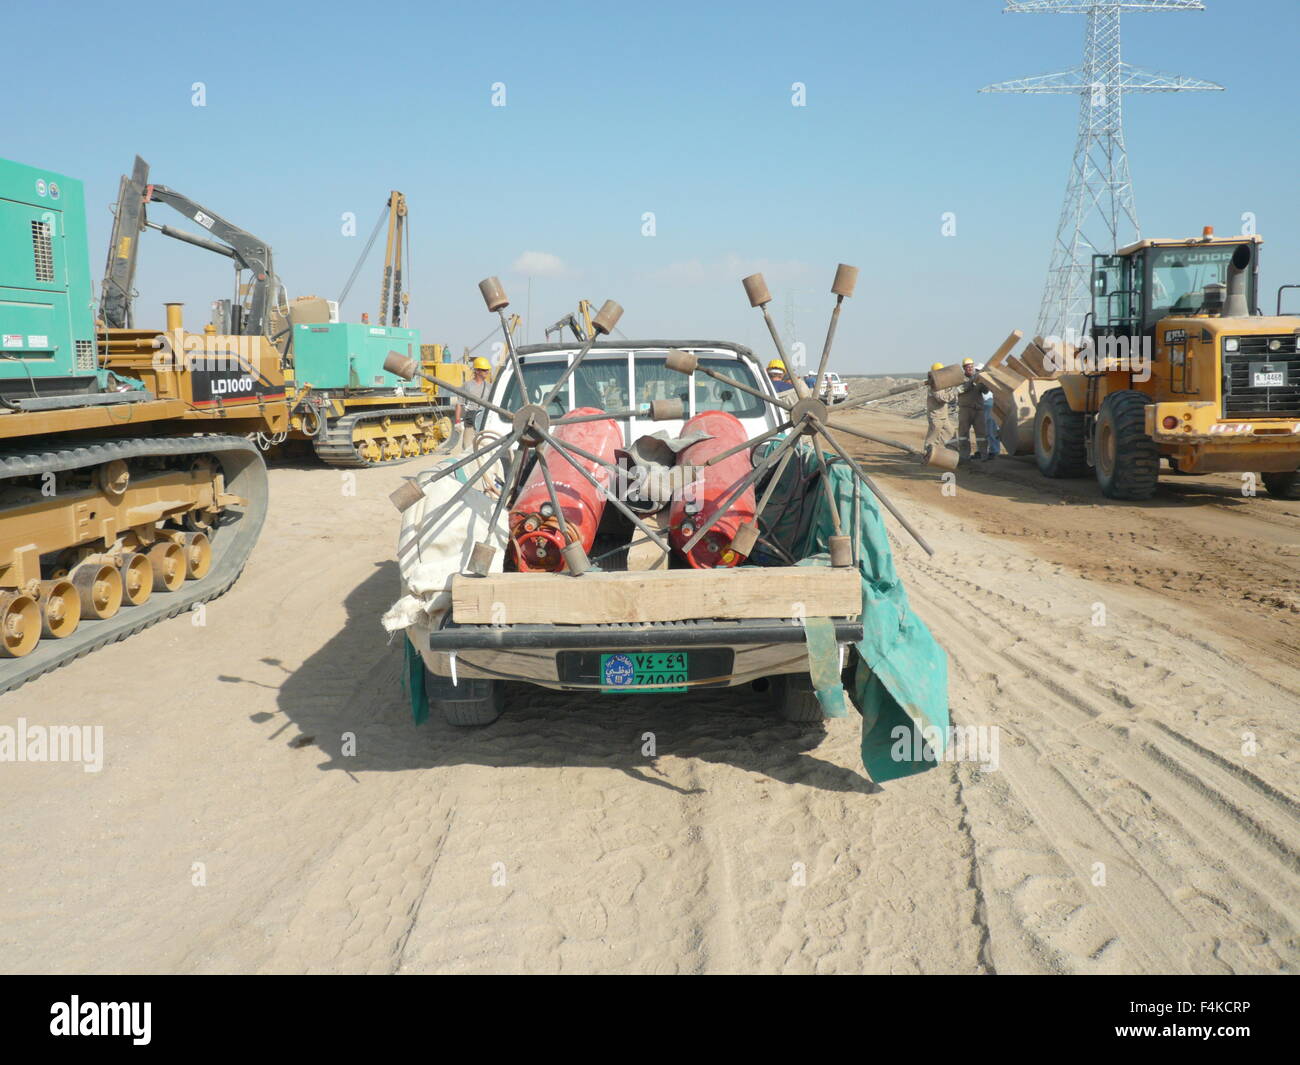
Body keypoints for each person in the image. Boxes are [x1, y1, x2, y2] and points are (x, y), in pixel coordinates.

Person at [955, 357, 990, 462]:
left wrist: (983, 383)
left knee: (981, 434)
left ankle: (984, 455)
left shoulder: (978, 378)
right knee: (963, 434)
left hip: (978, 410)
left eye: (971, 366)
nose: (970, 369)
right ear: (964, 368)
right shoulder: (959, 379)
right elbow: (960, 390)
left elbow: (986, 391)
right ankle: (964, 456)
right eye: (967, 367)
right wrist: (971, 383)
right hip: (965, 410)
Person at [454, 356, 493, 447]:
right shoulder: (467, 386)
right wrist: (457, 422)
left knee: (484, 448)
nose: (487, 372)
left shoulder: (489, 387)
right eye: (484, 370)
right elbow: (459, 404)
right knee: (467, 447)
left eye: (487, 370)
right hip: (470, 421)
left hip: (484, 421)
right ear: (477, 371)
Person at [924, 361, 956, 455]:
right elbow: (942, 399)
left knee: (951, 434)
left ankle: (953, 453)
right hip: (936, 416)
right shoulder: (933, 386)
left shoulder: (941, 383)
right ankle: (927, 454)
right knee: (933, 437)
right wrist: (955, 392)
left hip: (943, 415)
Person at [980, 365, 1002, 458]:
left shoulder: (988, 383)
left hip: (989, 405)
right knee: (987, 430)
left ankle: (994, 451)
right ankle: (991, 450)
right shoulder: (983, 383)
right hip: (984, 406)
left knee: (991, 430)